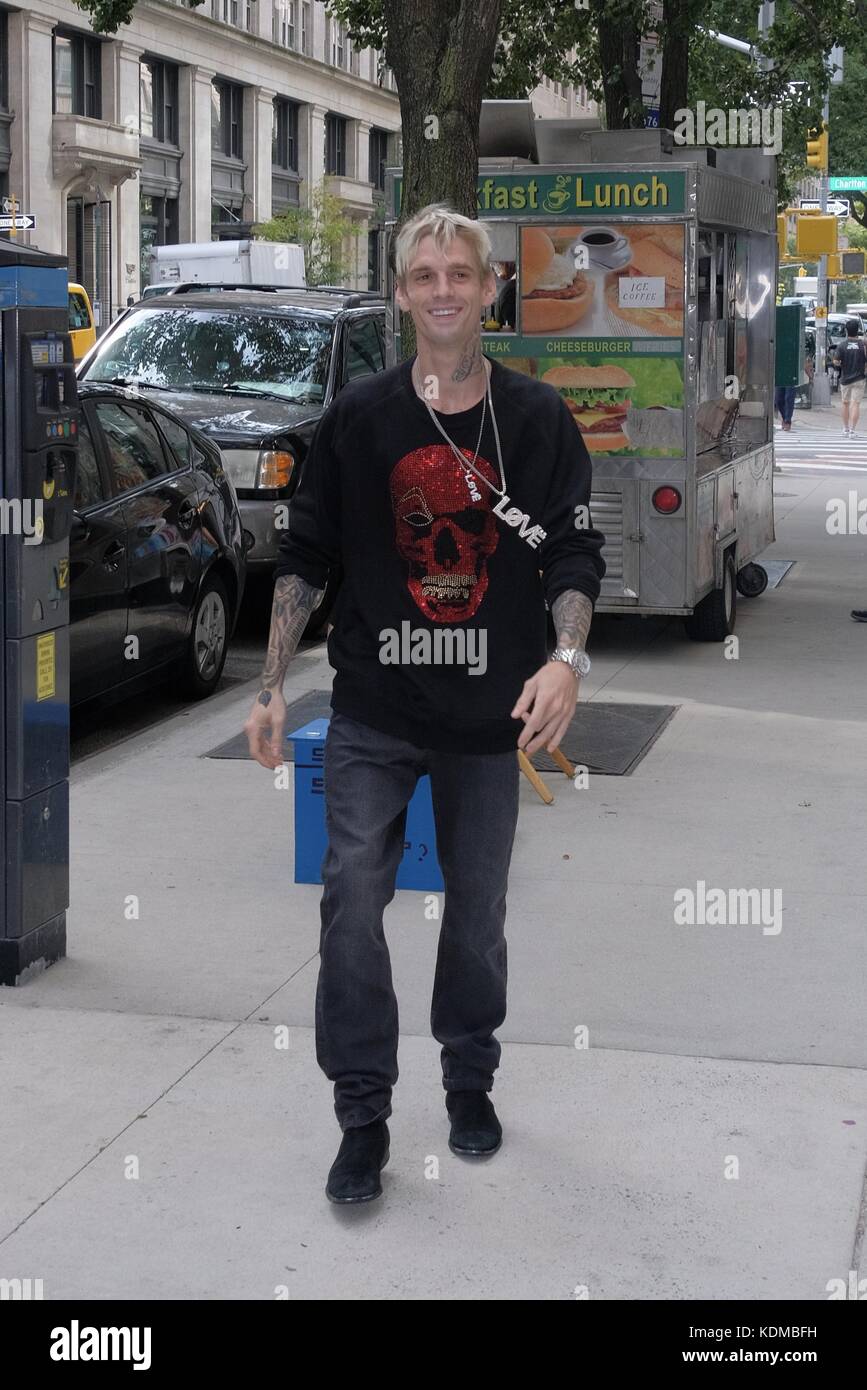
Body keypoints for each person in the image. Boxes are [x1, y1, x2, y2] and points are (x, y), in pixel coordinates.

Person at [243, 203, 606, 1204]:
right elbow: (306, 557)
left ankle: (469, 1079)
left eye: (463, 273)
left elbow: (573, 549)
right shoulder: (360, 420)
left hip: (492, 720)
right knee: (352, 895)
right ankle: (362, 1114)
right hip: (374, 710)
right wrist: (272, 685)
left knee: (477, 913)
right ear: (402, 294)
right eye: (426, 274)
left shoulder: (535, 421)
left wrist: (567, 656)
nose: (445, 289)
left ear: (491, 289)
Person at [831, 318, 867, 437]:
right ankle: (852, 430)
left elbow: (835, 361)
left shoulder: (842, 345)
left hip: (845, 379)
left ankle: (845, 429)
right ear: (858, 331)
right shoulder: (863, 345)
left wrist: (841, 364)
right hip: (860, 378)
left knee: (845, 403)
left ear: (846, 331)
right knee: (856, 404)